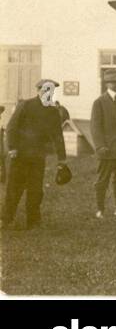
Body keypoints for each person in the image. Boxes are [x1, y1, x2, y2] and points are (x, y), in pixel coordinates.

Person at [1, 79, 69, 230]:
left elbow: (58, 135)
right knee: (14, 188)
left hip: (38, 156)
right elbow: (12, 127)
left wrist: (62, 158)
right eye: (45, 90)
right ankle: (6, 219)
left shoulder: (52, 111)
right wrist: (12, 147)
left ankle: (33, 221)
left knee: (36, 190)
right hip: (20, 155)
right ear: (38, 90)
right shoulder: (25, 105)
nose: (48, 93)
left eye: (51, 90)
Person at [91, 70, 116, 219]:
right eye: (114, 82)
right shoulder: (99, 103)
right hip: (107, 150)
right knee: (102, 180)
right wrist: (100, 146)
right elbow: (95, 127)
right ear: (107, 83)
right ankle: (100, 209)